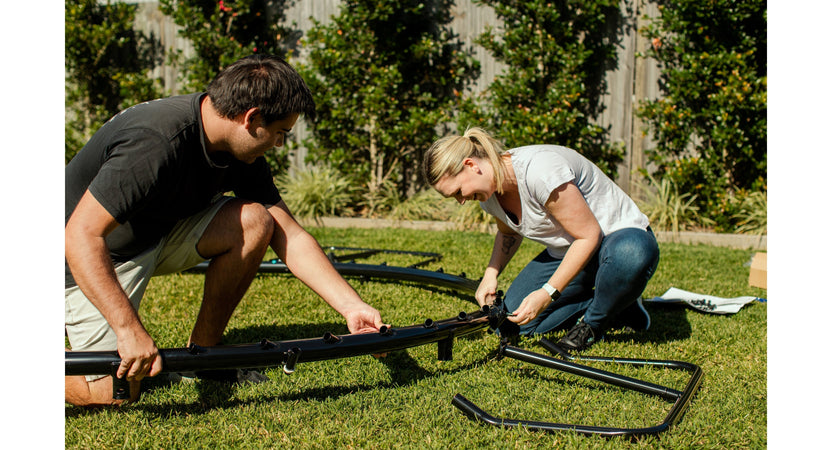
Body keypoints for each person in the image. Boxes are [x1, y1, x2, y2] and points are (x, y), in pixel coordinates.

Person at [65, 54, 385, 406]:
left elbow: (290, 235)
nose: (279, 145)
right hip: (87, 255)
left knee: (255, 221)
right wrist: (128, 330)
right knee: (111, 396)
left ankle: (204, 355)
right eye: (280, 133)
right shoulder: (155, 142)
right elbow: (80, 235)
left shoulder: (236, 149)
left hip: (155, 234)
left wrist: (352, 306)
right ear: (252, 118)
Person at [422, 127, 659, 352]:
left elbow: (589, 236)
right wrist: (490, 274)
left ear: (471, 165)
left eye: (457, 192)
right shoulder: (489, 195)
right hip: (569, 252)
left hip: (615, 240)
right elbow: (508, 233)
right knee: (514, 323)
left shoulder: (540, 171)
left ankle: (594, 324)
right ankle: (618, 303)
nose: (461, 201)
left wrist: (547, 293)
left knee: (632, 252)